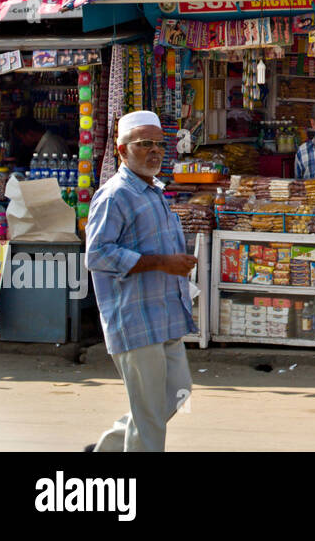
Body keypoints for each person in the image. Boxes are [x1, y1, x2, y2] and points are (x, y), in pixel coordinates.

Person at [84, 110, 198, 451]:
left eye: (160, 144)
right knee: (149, 417)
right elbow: (98, 254)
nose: (155, 151)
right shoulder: (115, 195)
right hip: (134, 319)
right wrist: (164, 263)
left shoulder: (152, 191)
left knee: (178, 393)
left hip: (165, 315)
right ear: (122, 150)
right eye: (144, 144)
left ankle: (107, 449)